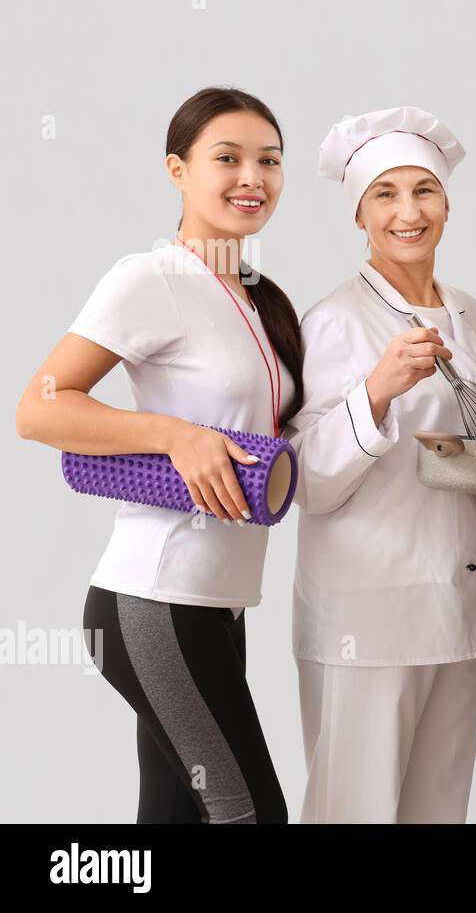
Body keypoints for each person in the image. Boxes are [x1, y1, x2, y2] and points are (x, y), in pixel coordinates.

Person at [15, 87, 301, 823]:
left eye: (268, 161)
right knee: (249, 815)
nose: (252, 178)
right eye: (227, 158)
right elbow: (39, 407)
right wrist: (177, 436)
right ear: (177, 170)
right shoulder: (151, 279)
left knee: (174, 818)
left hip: (218, 605)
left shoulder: (257, 297)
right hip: (155, 600)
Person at [287, 106, 476, 823]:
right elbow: (310, 482)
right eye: (385, 195)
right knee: (352, 811)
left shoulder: (471, 315)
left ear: (447, 204)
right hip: (370, 613)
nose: (407, 212)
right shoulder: (333, 321)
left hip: (458, 603)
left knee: (438, 810)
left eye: (423, 191)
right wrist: (378, 391)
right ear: (360, 214)